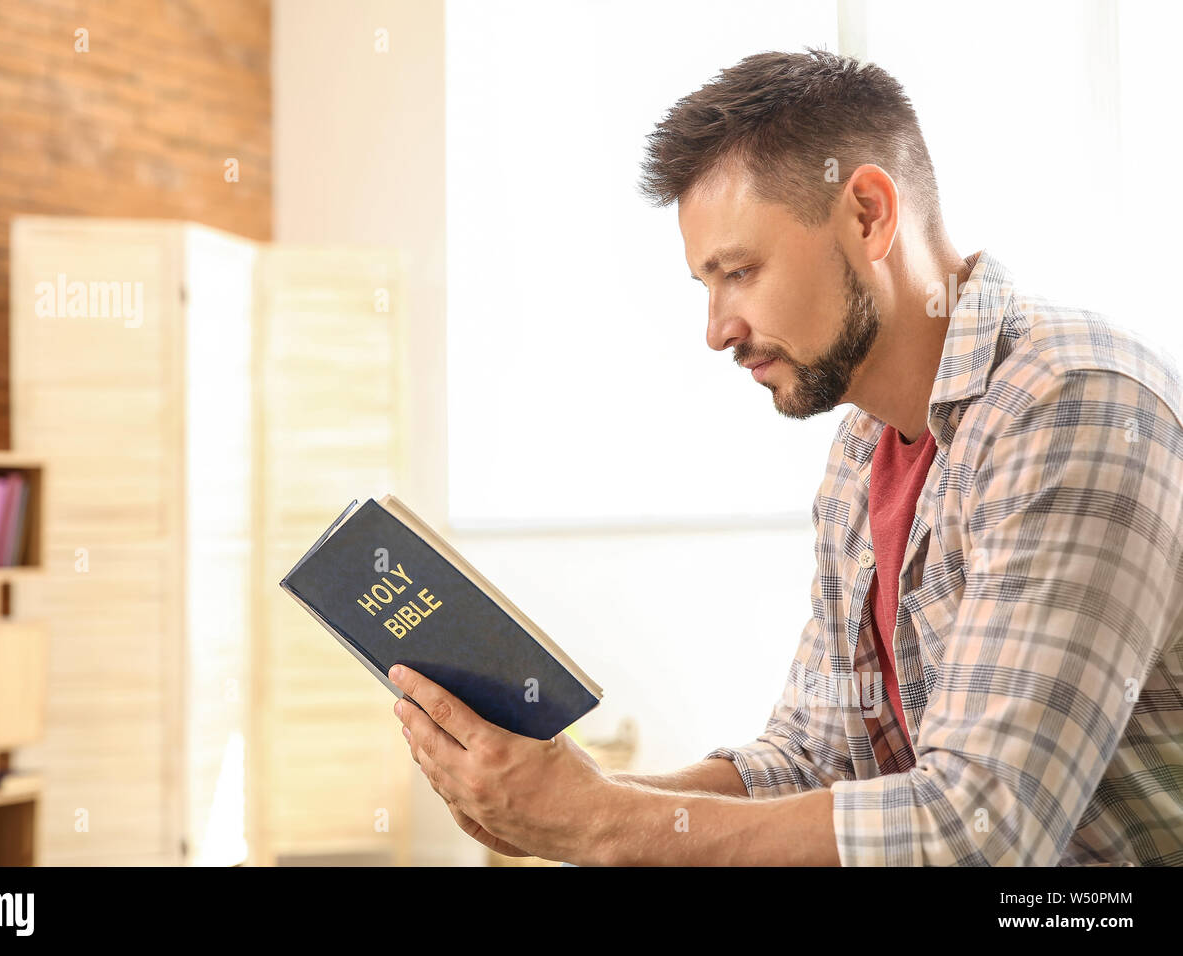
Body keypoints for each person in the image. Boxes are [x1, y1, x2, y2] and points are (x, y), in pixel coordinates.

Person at [391, 47, 1183, 866]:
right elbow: (810, 758)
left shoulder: (1073, 403)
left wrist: (598, 825)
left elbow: (976, 828)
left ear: (870, 214)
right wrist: (579, 800)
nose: (716, 330)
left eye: (740, 272)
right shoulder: (862, 447)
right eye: (706, 284)